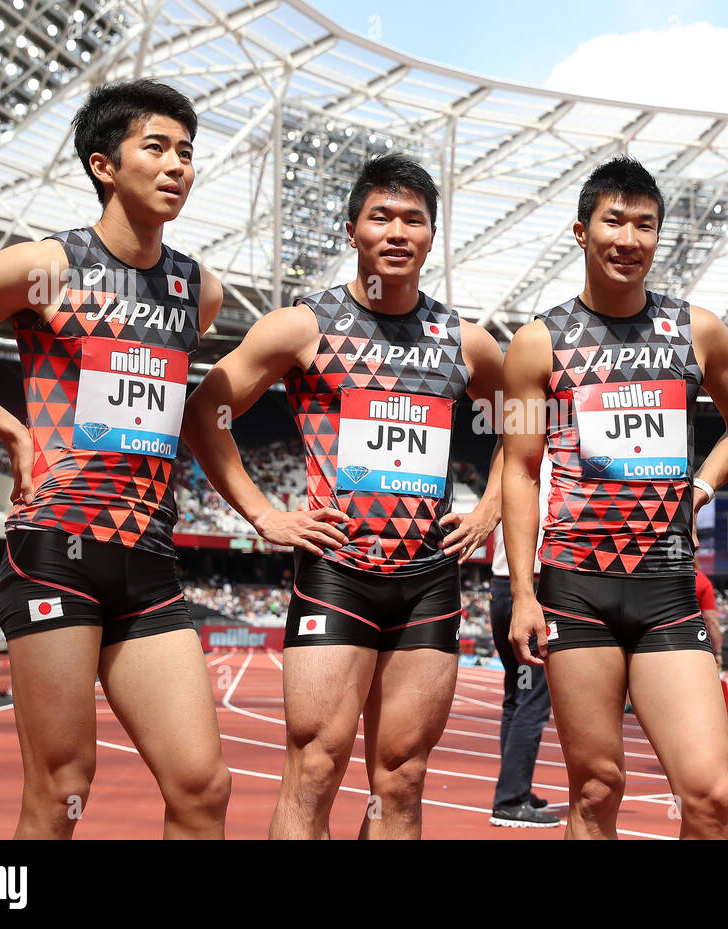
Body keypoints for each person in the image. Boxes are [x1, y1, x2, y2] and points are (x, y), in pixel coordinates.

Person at [0, 79, 230, 838]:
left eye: (187, 152)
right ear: (105, 165)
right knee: (63, 786)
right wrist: (10, 429)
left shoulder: (199, 290)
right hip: (56, 550)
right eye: (157, 147)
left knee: (202, 785)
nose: (177, 165)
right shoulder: (46, 266)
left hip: (149, 557)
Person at [181, 153, 505, 840]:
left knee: (403, 776)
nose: (396, 230)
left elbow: (532, 419)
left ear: (431, 235)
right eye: (380, 215)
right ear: (353, 228)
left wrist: (490, 507)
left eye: (413, 219)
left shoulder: (465, 342)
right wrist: (263, 513)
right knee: (317, 765)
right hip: (338, 572)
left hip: (429, 578)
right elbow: (207, 406)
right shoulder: (304, 327)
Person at [504, 156, 728, 840]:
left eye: (645, 224)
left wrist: (703, 485)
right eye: (613, 220)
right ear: (581, 232)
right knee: (596, 788)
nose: (629, 237)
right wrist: (526, 592)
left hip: (668, 587)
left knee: (710, 793)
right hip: (575, 589)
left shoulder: (696, 331)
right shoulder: (538, 343)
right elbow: (522, 470)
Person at [488, 455, 559, 828]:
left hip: (503, 588)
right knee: (532, 698)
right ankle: (511, 799)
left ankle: (516, 788)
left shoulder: (513, 459)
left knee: (517, 695)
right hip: (532, 591)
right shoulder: (559, 461)